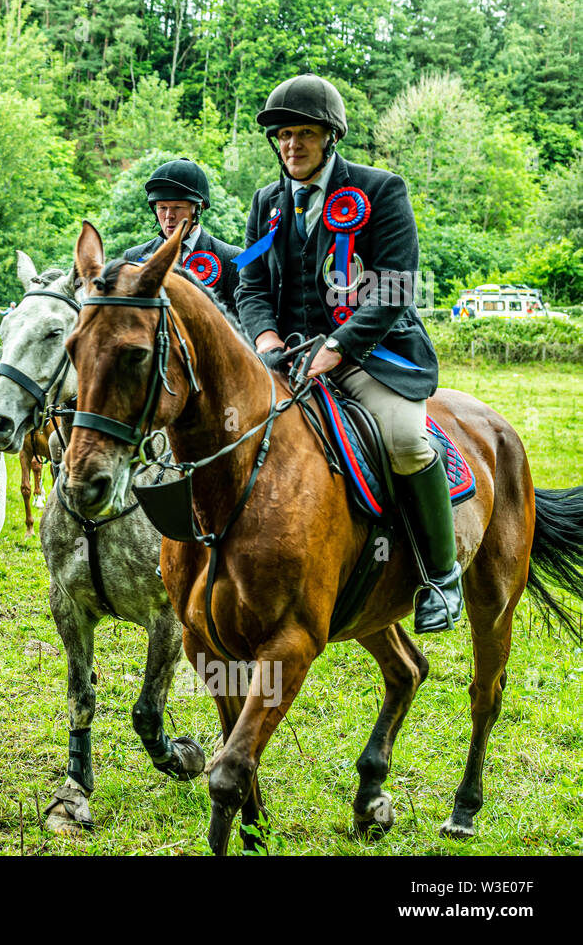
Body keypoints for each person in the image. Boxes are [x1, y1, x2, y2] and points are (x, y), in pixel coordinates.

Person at [235, 73, 459, 634]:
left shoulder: (379, 191)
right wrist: (264, 340)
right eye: (284, 135)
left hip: (372, 356)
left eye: (304, 133)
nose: (292, 146)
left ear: (330, 136)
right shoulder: (268, 204)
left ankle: (441, 576)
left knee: (407, 442)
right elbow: (250, 284)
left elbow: (393, 287)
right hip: (287, 362)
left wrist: (338, 348)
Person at [123, 158, 243, 312]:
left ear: (199, 208)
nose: (168, 216)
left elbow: (241, 325)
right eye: (162, 208)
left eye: (178, 207)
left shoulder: (231, 259)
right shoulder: (133, 257)